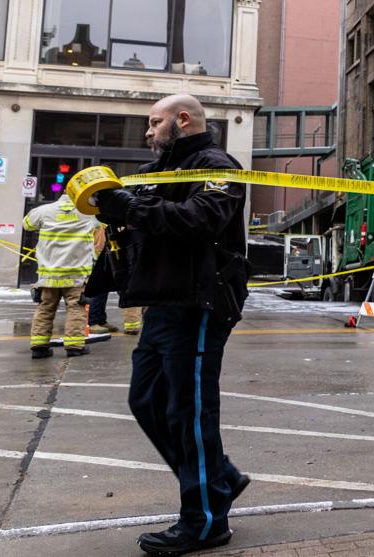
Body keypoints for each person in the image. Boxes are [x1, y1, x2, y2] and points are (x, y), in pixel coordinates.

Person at [89, 94, 251, 556]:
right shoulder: (154, 174)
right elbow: (143, 227)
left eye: (155, 122)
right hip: (159, 303)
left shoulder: (218, 165)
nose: (148, 131)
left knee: (190, 412)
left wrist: (132, 209)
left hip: (198, 303)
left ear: (183, 120)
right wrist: (113, 212)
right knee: (145, 399)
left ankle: (204, 523)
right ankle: (220, 478)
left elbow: (204, 219)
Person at [24, 193, 99, 358]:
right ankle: (74, 346)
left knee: (45, 308)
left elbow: (27, 224)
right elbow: (103, 223)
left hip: (49, 274)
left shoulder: (43, 211)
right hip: (76, 273)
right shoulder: (88, 213)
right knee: (76, 308)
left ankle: (39, 346)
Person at [88, 225, 144, 335]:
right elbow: (100, 247)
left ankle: (99, 320)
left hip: (116, 260)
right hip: (112, 260)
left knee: (106, 291)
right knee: (114, 290)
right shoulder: (106, 225)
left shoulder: (113, 223)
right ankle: (96, 321)